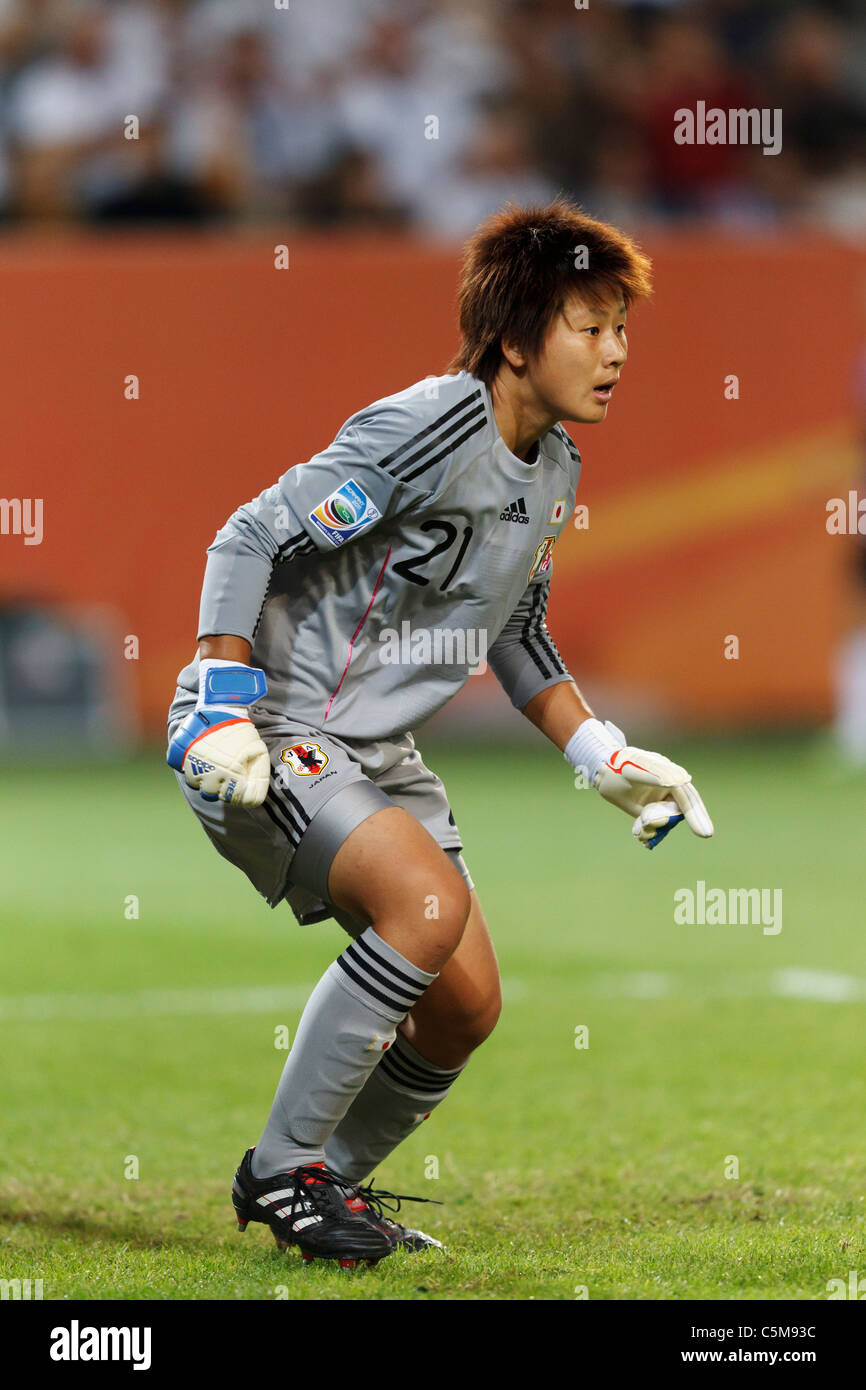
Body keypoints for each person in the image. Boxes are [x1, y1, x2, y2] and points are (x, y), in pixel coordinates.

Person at [166, 199, 713, 1267]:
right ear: (514, 340)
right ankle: (280, 1172)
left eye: (619, 329)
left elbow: (514, 628)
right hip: (278, 726)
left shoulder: (551, 470)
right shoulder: (427, 426)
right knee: (426, 906)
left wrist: (598, 752)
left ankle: (327, 1190)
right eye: (589, 328)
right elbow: (250, 532)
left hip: (377, 756)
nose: (615, 354)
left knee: (465, 1007)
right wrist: (222, 699)